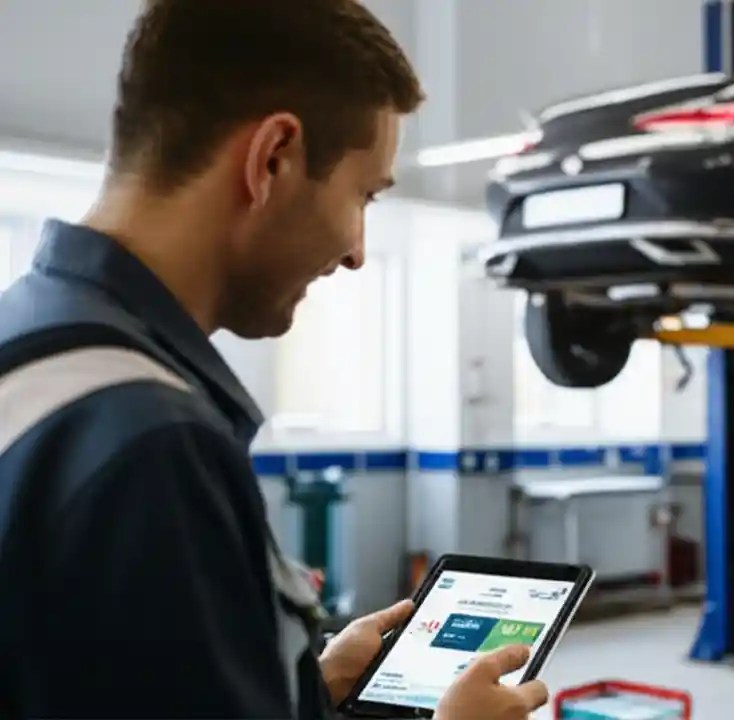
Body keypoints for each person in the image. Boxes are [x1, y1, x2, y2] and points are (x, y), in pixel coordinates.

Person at [0, 1, 548, 718]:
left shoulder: (29, 334)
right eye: (363, 195)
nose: (356, 250)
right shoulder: (155, 443)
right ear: (273, 159)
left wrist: (302, 687)